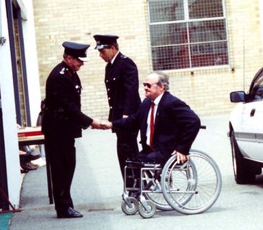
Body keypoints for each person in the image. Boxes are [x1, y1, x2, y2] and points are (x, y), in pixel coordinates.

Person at [41, 42, 103, 218]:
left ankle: (66, 204)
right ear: (68, 58)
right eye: (79, 60)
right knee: (61, 168)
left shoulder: (70, 73)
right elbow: (69, 107)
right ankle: (63, 207)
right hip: (58, 130)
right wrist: (91, 122)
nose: (81, 63)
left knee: (68, 166)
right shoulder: (60, 76)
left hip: (65, 130)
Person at [104, 71, 201, 166]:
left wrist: (182, 148)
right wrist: (111, 124)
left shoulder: (172, 103)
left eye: (148, 85)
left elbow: (194, 121)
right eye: (144, 85)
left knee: (141, 162)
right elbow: (133, 120)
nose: (145, 88)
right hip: (149, 150)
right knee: (129, 160)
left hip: (166, 151)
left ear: (161, 87)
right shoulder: (146, 103)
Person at [94, 34, 140, 175]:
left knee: (128, 152)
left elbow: (131, 90)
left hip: (128, 117)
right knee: (124, 152)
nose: (101, 55)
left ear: (113, 48)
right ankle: (131, 183)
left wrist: (126, 115)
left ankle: (134, 184)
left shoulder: (126, 63)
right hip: (118, 116)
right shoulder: (110, 66)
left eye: (103, 51)